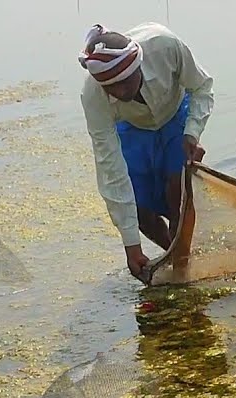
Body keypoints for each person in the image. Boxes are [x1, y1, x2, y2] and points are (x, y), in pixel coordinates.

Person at [79, 22, 215, 281]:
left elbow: (202, 87)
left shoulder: (165, 45)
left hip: (175, 115)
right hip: (133, 128)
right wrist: (132, 246)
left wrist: (192, 132)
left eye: (124, 83)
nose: (119, 91)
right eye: (111, 88)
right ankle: (176, 255)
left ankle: (182, 263)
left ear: (137, 66)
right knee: (139, 208)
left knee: (177, 193)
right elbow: (110, 167)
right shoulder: (93, 95)